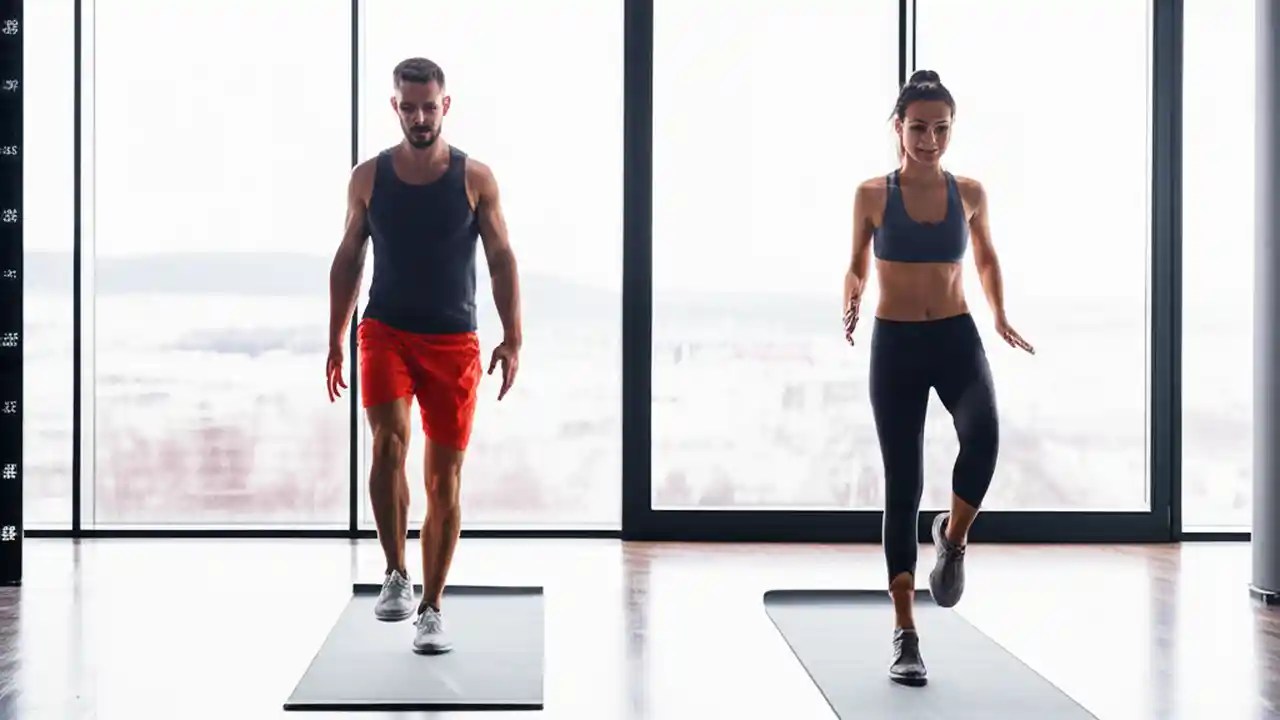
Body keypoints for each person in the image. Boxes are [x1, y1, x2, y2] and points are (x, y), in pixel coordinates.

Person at [842, 69, 1034, 686]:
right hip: (895, 343)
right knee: (905, 478)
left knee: (984, 436)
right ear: (898, 128)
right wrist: (849, 297)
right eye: (919, 128)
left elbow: (985, 256)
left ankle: (951, 540)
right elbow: (854, 266)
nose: (930, 140)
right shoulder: (872, 193)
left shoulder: (969, 191)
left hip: (955, 336)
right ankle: (906, 632)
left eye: (941, 129)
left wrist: (1000, 313)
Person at [325, 57, 523, 655]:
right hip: (385, 331)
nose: (418, 117)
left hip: (453, 342)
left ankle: (432, 607)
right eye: (407, 107)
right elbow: (348, 258)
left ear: (445, 106)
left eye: (427, 107)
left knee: (444, 479)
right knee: (387, 443)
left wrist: (512, 337)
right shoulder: (367, 178)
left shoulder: (475, 178)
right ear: (395, 107)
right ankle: (395, 572)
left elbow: (502, 259)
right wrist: (337, 333)